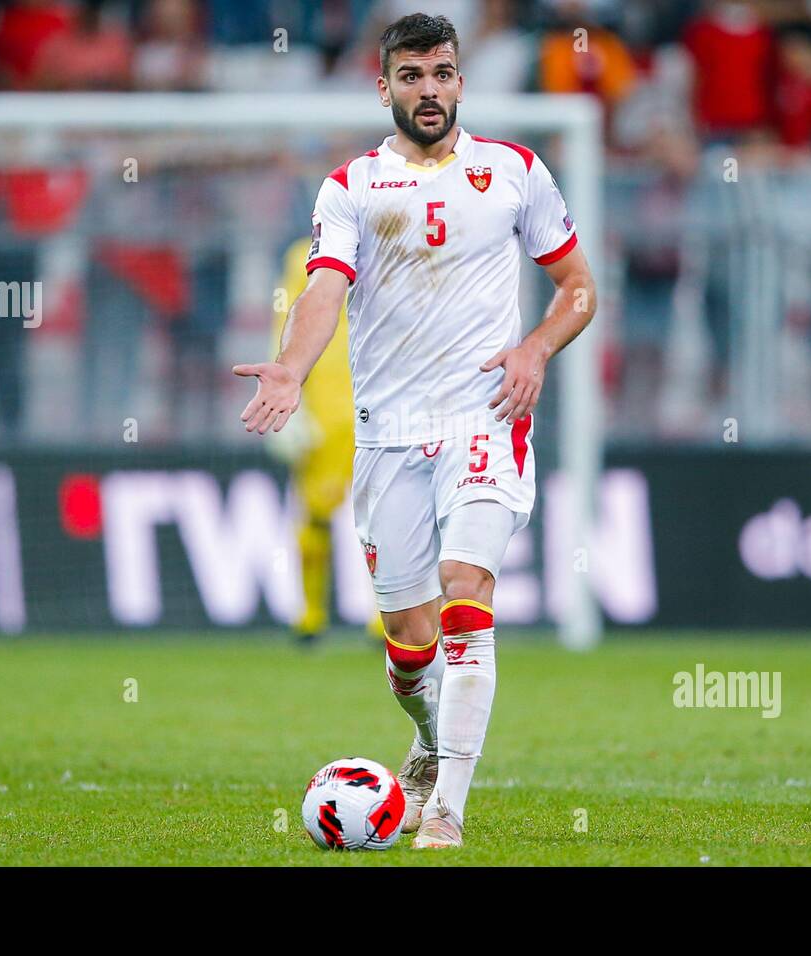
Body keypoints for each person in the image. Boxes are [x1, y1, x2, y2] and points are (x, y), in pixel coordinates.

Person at [232, 13, 597, 849]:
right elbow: (325, 287)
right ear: (385, 86)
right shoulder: (351, 186)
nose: (428, 90)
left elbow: (577, 286)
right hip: (388, 433)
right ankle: (429, 742)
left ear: (460, 80)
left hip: (484, 419)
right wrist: (290, 364)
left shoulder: (514, 173)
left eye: (441, 73)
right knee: (408, 646)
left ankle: (447, 810)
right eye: (411, 76)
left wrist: (536, 349)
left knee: (468, 594)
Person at [268, 237, 385, 647]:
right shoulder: (302, 255)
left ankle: (383, 617)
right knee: (316, 513)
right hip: (324, 410)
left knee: (386, 517)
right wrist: (284, 390)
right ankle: (310, 616)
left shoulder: (387, 246)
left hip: (383, 405)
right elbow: (284, 322)